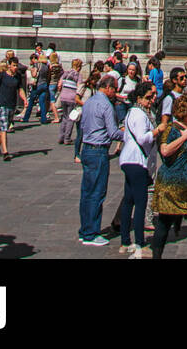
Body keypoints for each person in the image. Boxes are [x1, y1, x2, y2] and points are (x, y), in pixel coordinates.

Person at [151, 94, 187, 258]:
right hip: (172, 187)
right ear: (184, 111)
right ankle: (156, 256)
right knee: (164, 223)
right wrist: (185, 137)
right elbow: (164, 151)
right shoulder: (172, 129)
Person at [78, 73, 122, 245]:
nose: (116, 93)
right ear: (108, 88)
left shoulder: (89, 101)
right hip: (99, 152)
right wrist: (130, 135)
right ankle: (92, 233)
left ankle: (85, 230)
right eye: (115, 89)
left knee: (86, 192)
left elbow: (82, 126)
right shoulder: (106, 105)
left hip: (87, 149)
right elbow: (112, 132)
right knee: (97, 192)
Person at [119, 80, 158, 258]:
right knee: (140, 203)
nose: (152, 100)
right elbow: (143, 138)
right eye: (149, 97)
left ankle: (125, 241)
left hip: (129, 160)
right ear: (140, 98)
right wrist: (158, 131)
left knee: (128, 201)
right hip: (137, 161)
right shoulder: (139, 114)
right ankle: (139, 243)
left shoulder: (135, 112)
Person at [0, 57, 26, 161]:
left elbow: (20, 89)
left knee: (6, 126)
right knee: (4, 128)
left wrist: (25, 99)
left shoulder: (17, 77)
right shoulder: (2, 75)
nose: (15, 67)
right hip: (2, 104)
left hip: (12, 105)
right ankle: (5, 152)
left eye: (16, 65)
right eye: (14, 65)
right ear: (9, 65)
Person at [21, 52, 51, 125]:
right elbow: (48, 77)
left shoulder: (37, 65)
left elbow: (34, 75)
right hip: (44, 85)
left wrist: (32, 71)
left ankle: (26, 118)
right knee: (42, 102)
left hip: (37, 85)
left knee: (31, 101)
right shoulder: (46, 66)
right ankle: (44, 119)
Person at [57, 58, 83, 144]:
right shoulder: (78, 75)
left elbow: (59, 84)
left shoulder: (65, 73)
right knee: (71, 118)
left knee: (64, 117)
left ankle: (61, 137)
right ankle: (67, 138)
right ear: (78, 67)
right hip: (71, 98)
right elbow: (79, 88)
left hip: (63, 97)